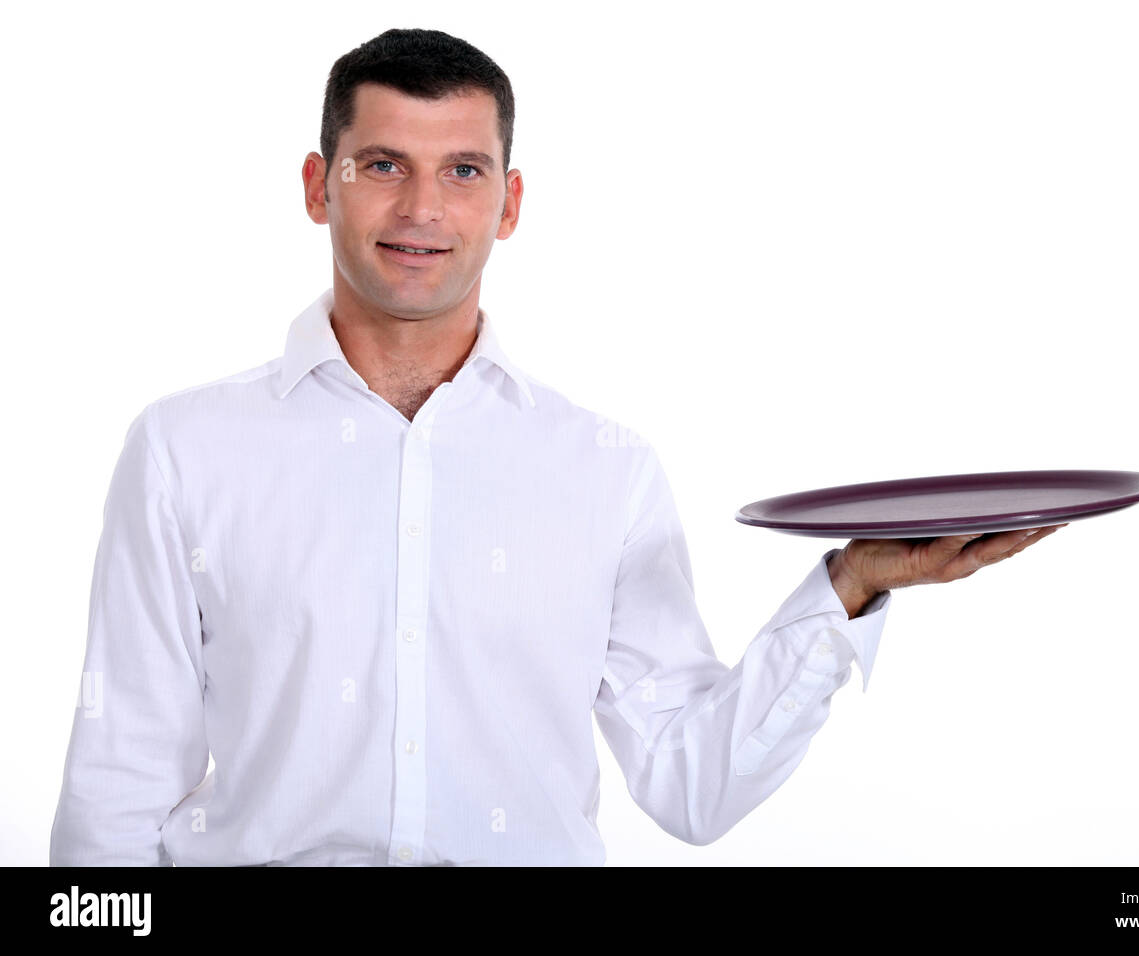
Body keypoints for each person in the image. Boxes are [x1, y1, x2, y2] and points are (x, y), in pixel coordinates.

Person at [49, 27, 1063, 867]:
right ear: (320, 185)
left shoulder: (603, 471)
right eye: (383, 166)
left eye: (462, 170)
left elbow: (689, 780)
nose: (421, 210)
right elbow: (119, 785)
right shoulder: (185, 450)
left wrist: (846, 583)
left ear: (510, 200)